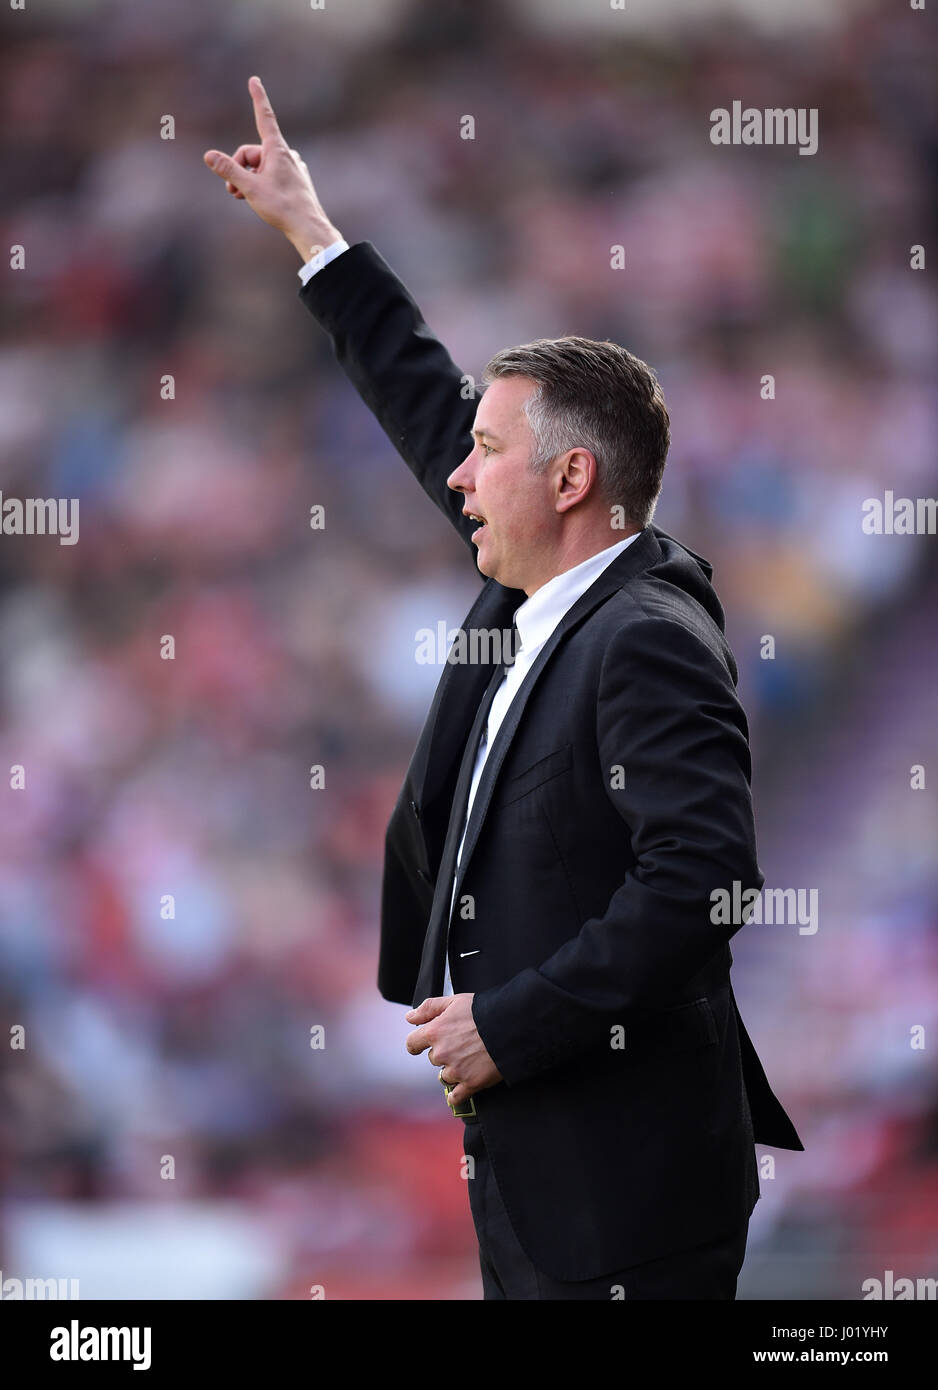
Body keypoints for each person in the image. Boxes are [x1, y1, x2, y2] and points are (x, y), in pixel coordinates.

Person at [204, 76, 804, 1301]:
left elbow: (705, 880)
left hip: (626, 1191)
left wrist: (507, 1022)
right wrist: (314, 239)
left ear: (573, 477)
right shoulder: (538, 592)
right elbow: (430, 406)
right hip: (539, 1163)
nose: (461, 475)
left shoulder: (641, 633)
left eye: (489, 451)